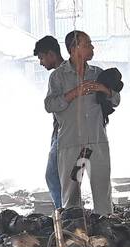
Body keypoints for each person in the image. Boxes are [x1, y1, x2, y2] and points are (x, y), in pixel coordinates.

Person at [45, 30, 120, 216]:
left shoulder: (98, 74)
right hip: (73, 145)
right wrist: (73, 93)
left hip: (95, 142)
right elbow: (49, 105)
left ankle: (105, 232)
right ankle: (74, 234)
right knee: (72, 193)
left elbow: (116, 100)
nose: (91, 47)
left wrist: (105, 89)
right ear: (73, 49)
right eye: (87, 44)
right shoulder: (59, 77)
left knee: (102, 190)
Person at [34, 35, 65, 209]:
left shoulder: (59, 74)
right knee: (63, 176)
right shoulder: (61, 73)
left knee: (53, 175)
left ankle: (63, 212)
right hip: (59, 131)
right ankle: (66, 212)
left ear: (51, 54)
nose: (41, 62)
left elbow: (51, 105)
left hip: (65, 133)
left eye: (41, 57)